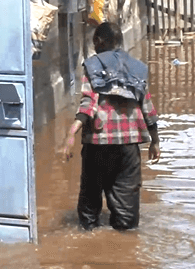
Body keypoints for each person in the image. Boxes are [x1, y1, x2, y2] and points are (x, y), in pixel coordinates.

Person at [63, 21, 161, 231]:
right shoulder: (137, 67)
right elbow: (147, 107)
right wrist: (155, 141)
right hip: (128, 144)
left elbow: (88, 102)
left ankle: (88, 241)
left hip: (98, 142)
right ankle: (124, 244)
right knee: (126, 203)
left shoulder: (92, 64)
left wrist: (71, 133)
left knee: (90, 199)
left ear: (98, 41)